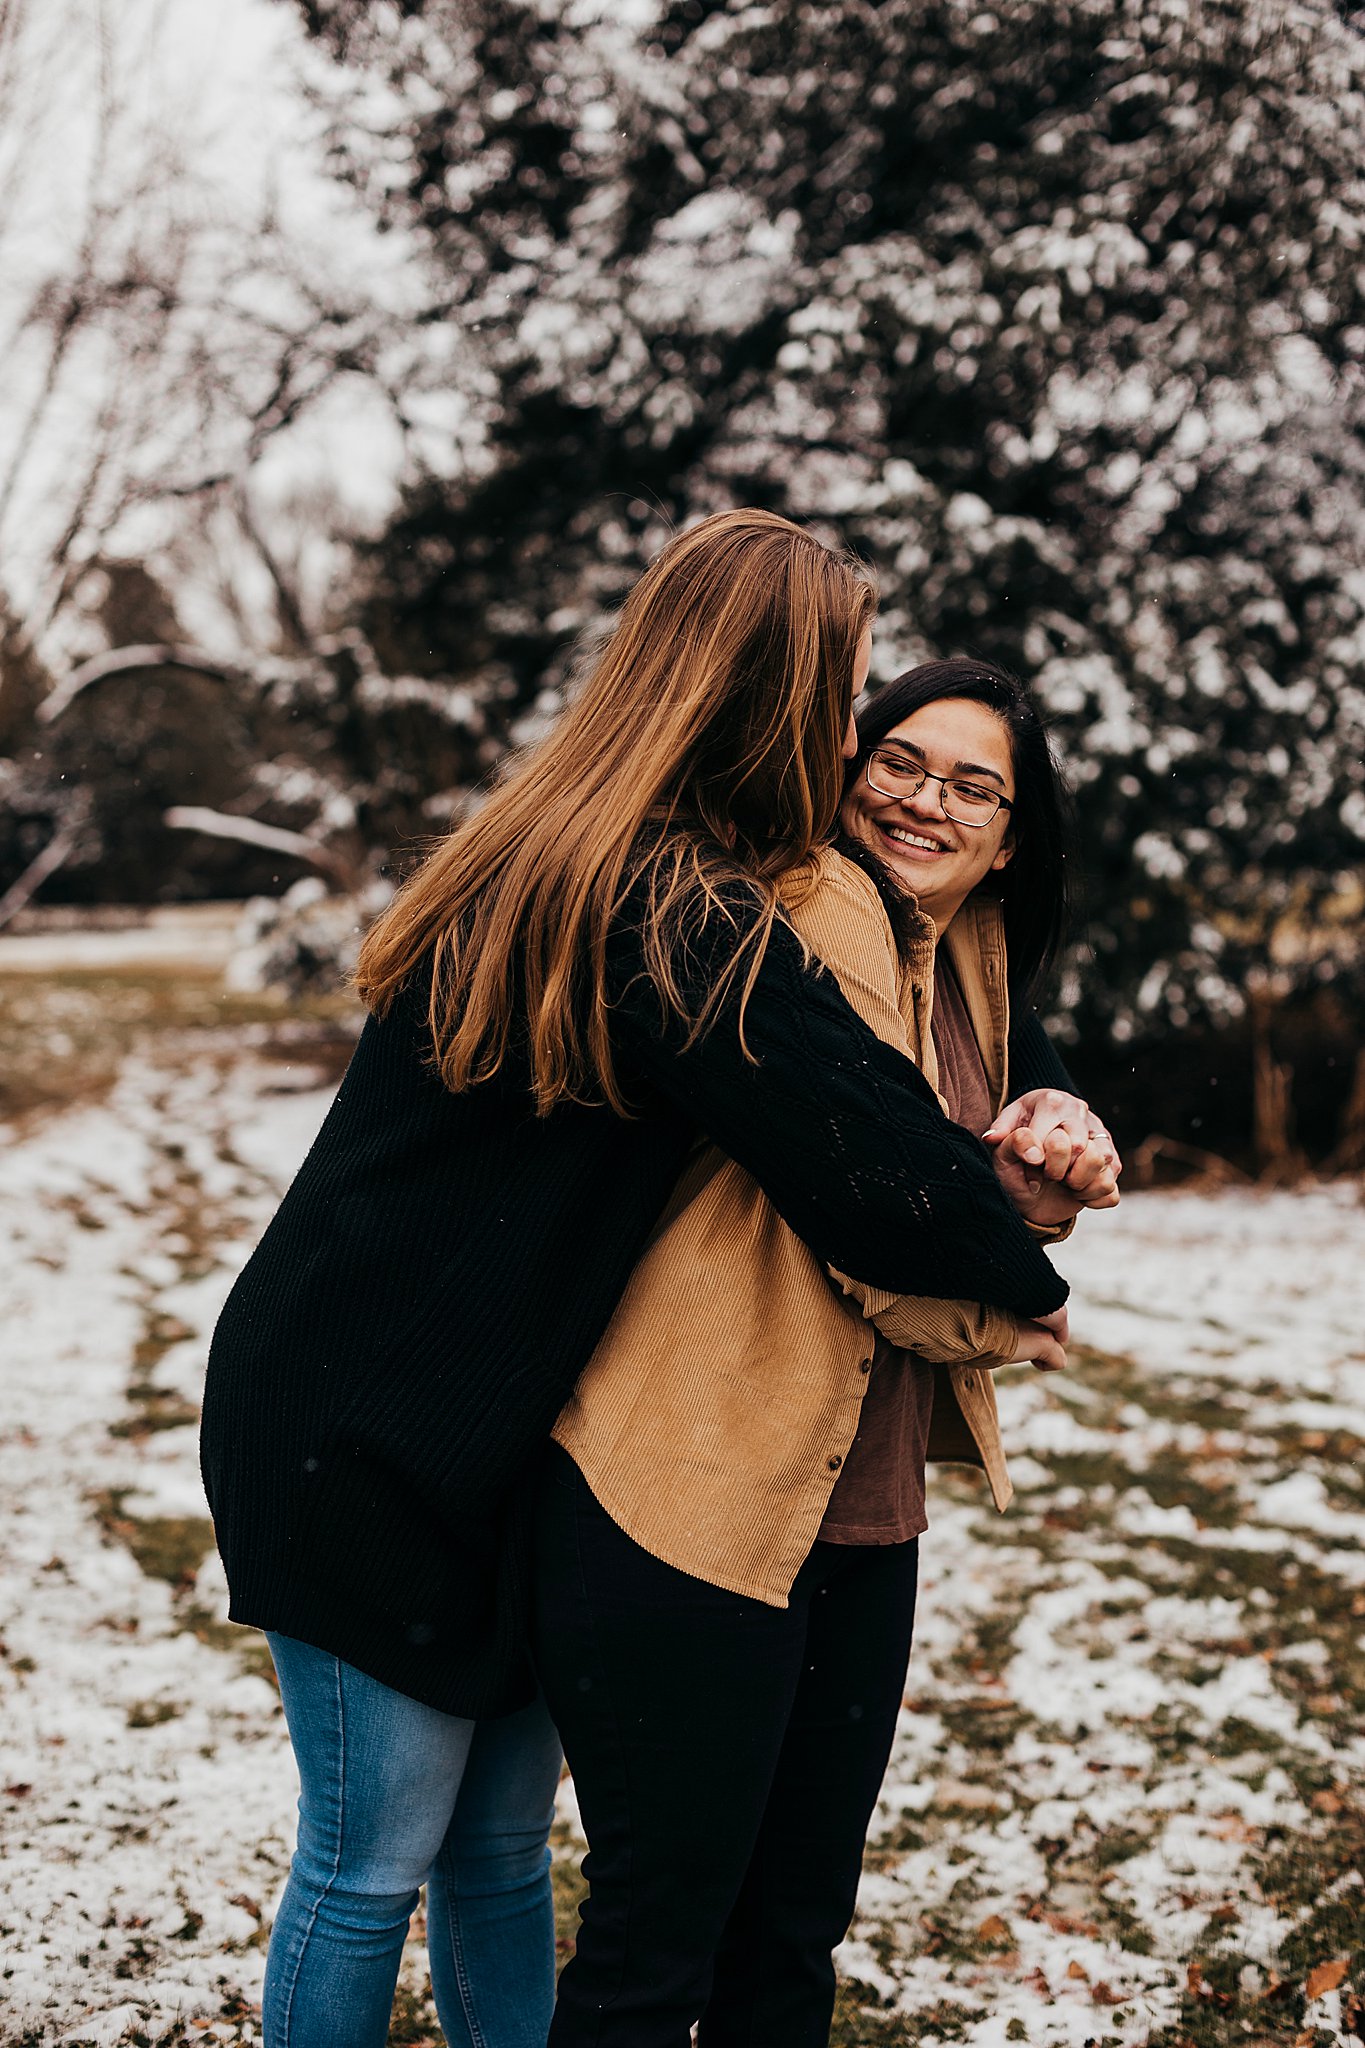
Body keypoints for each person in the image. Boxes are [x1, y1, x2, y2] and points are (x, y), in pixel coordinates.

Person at [199, 514, 1072, 2048]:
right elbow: (862, 1158)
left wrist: (1000, 1172)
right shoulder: (664, 906)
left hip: (496, 1424)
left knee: (492, 1848)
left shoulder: (607, 846)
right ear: (762, 694)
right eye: (838, 698)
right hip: (359, 1429)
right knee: (368, 1861)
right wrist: (1021, 1261)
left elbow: (881, 1092)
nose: (848, 739)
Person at [532, 657, 1119, 2048]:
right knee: (657, 1948)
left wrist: (1047, 1152)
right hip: (691, 1491)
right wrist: (1021, 1291)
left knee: (791, 1938)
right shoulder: (802, 914)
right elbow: (873, 1224)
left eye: (973, 787)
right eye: (899, 761)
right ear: (845, 763)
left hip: (860, 1513)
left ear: (1011, 839)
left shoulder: (969, 962)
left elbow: (960, 1177)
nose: (926, 802)